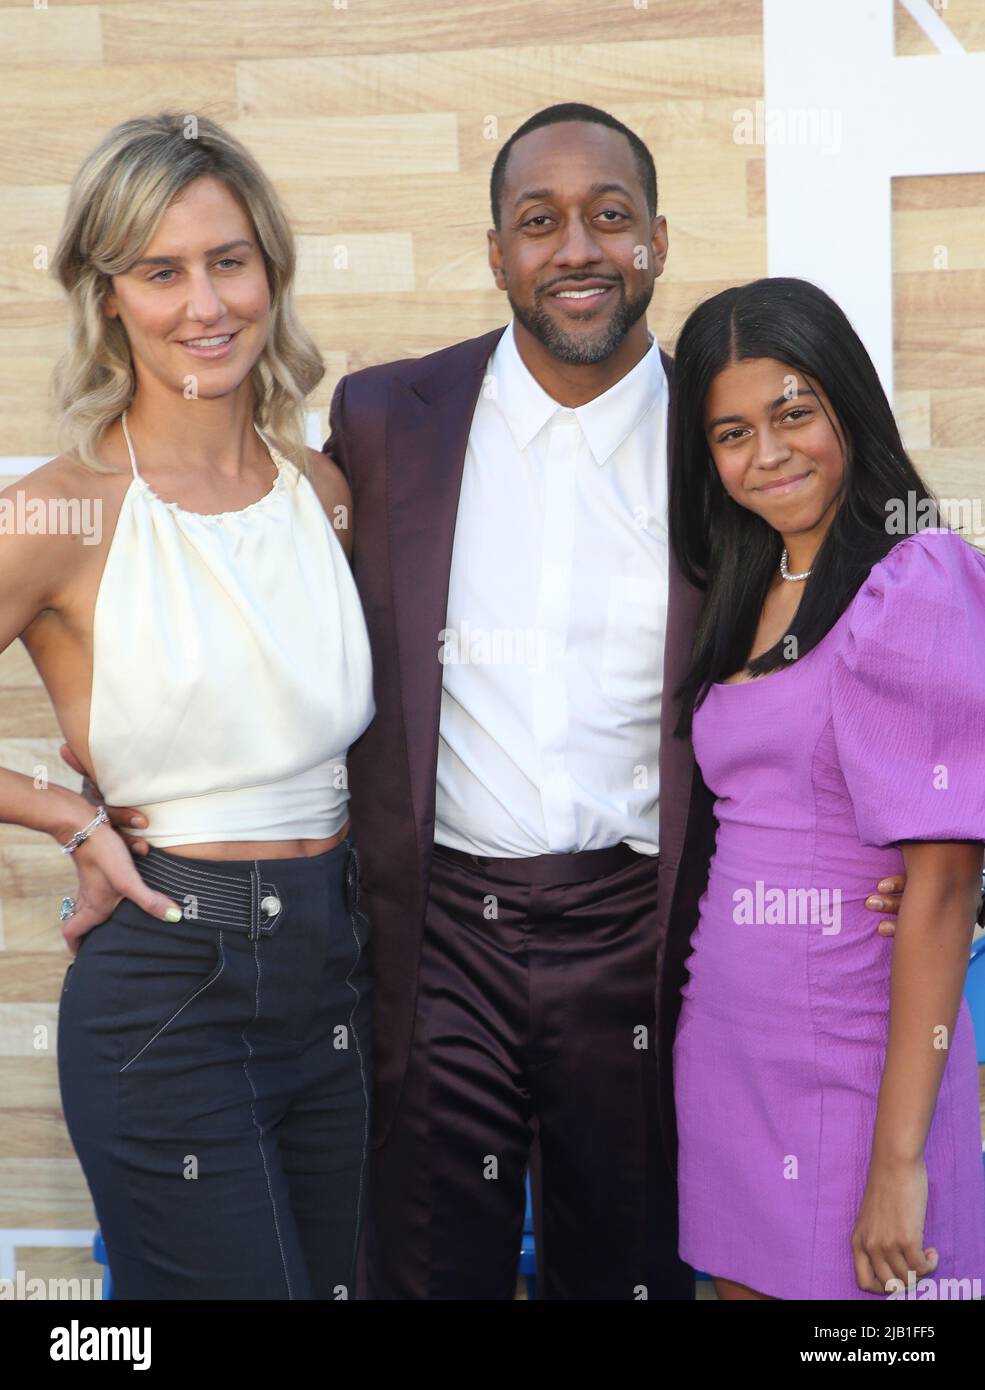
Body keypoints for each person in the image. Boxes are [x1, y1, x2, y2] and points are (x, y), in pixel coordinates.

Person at [96, 104, 901, 1300]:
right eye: (539, 222)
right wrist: (101, 805)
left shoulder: (723, 442)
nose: (575, 248)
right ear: (495, 255)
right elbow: (231, 624)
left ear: (658, 242)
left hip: (642, 935)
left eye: (608, 217)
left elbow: (847, 650)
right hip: (437, 943)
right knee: (422, 1272)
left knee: (624, 1274)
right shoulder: (384, 422)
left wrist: (896, 856)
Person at [1, 112, 375, 1299]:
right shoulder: (64, 511)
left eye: (229, 260)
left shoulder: (321, 492)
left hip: (335, 977)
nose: (204, 303)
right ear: (107, 296)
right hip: (170, 993)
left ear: (270, 267)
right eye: (159, 272)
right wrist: (70, 819)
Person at [668, 275, 985, 1300]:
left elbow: (940, 883)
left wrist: (899, 1163)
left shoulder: (915, 577)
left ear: (846, 402)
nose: (766, 453)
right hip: (727, 1047)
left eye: (792, 412)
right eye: (729, 432)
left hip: (860, 1061)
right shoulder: (744, 588)